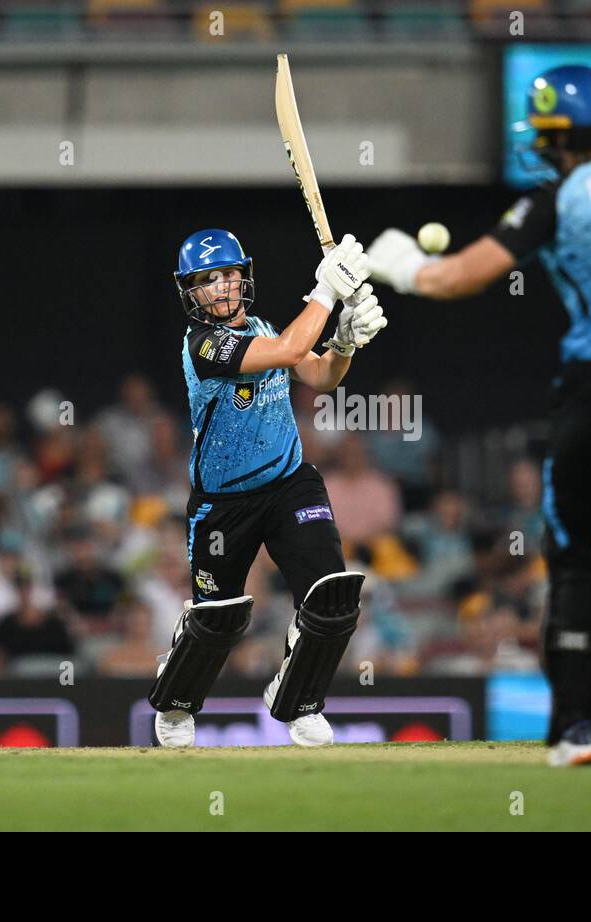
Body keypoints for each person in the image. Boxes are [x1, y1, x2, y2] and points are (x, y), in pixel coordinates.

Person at [366, 65, 591, 766]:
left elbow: (458, 276)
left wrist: (402, 265)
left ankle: (579, 729)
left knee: (582, 562)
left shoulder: (559, 197)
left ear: (557, 138)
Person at [147, 228, 387, 748]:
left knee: (332, 597)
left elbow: (321, 375)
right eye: (209, 279)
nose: (223, 286)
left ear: (244, 277)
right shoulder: (202, 346)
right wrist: (326, 292)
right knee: (219, 619)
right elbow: (288, 349)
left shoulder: (262, 327)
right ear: (191, 292)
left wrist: (344, 341)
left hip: (288, 484)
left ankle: (299, 701)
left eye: (230, 274)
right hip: (223, 501)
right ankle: (177, 703)